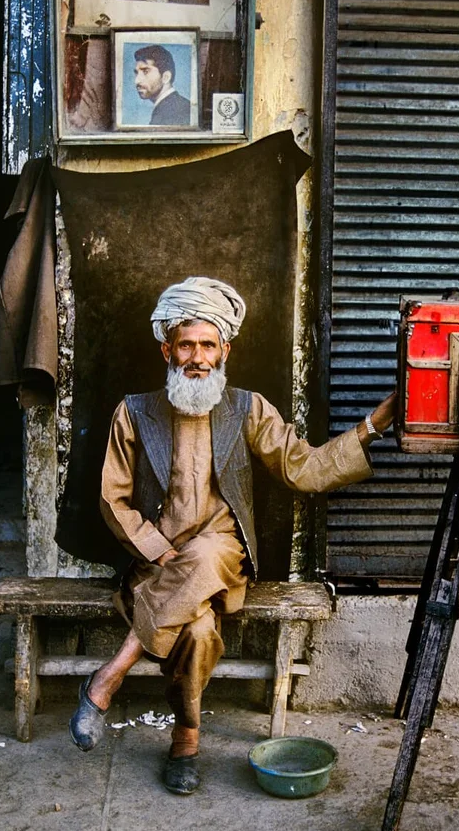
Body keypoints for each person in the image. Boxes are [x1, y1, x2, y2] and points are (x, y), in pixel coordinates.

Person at [69, 276, 396, 795]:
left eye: (207, 344)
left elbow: (304, 470)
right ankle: (186, 739)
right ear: (166, 349)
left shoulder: (248, 408)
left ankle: (110, 675)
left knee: (209, 549)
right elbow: (113, 499)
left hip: (224, 565)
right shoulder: (133, 412)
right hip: (158, 569)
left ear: (226, 349)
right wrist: (156, 548)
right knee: (196, 632)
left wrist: (371, 428)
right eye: (186, 345)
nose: (197, 357)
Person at [132, 45, 191, 126]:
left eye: (145, 71)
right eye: (136, 73)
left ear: (166, 77)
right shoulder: (179, 106)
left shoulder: (172, 113)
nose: (136, 81)